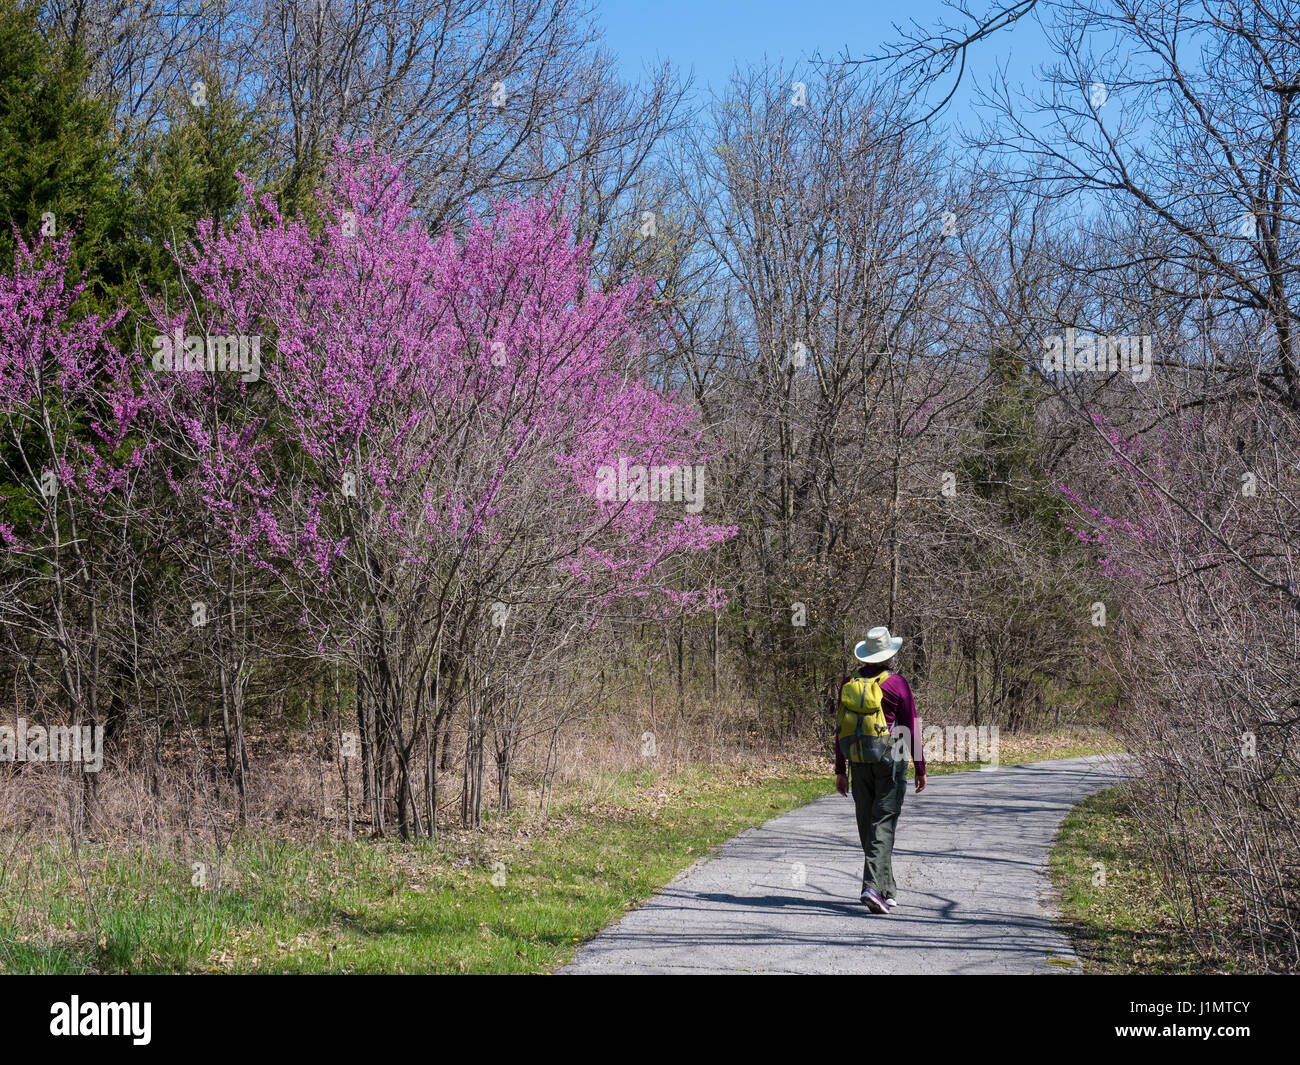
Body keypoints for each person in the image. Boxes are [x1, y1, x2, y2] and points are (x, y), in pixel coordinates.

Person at [833, 625, 926, 914]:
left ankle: (886, 889)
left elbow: (840, 728)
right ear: (890, 655)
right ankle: (872, 888)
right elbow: (911, 726)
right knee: (883, 824)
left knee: (868, 825)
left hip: (859, 760)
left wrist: (839, 768)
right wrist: (920, 766)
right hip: (890, 760)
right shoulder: (897, 683)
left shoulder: (849, 682)